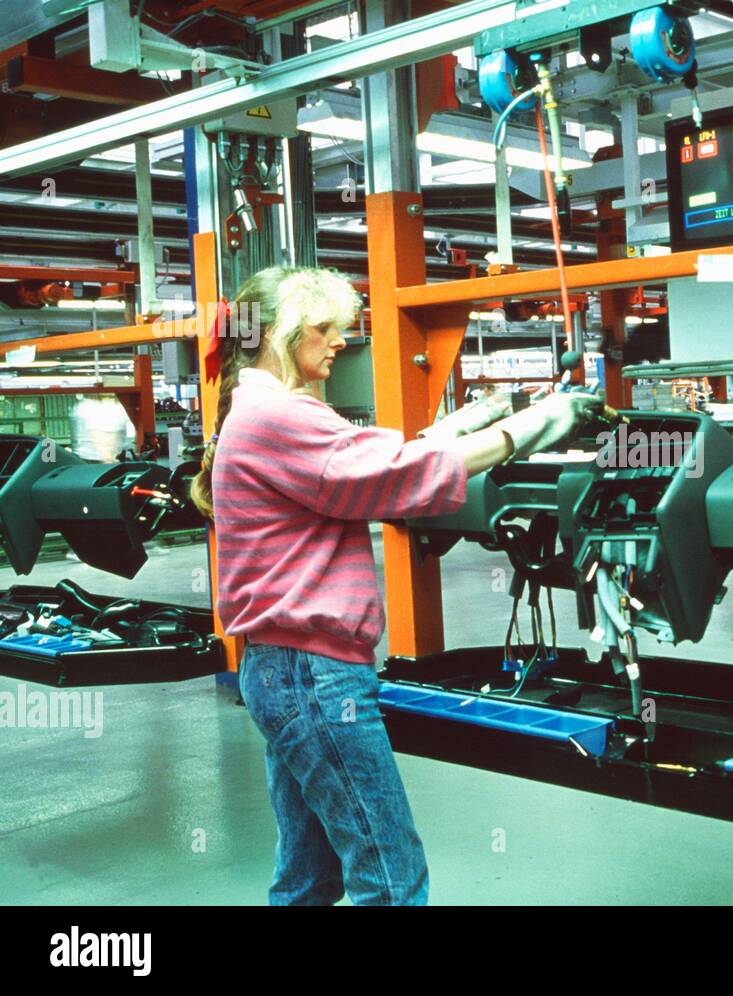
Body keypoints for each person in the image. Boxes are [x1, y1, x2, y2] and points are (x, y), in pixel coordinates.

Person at [190, 266, 601, 906]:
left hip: (283, 670)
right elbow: (387, 476)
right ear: (278, 334)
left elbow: (365, 463)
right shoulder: (277, 415)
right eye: (324, 329)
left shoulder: (267, 412)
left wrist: (469, 420)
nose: (338, 343)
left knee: (307, 878)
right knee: (390, 878)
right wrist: (531, 429)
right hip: (312, 675)